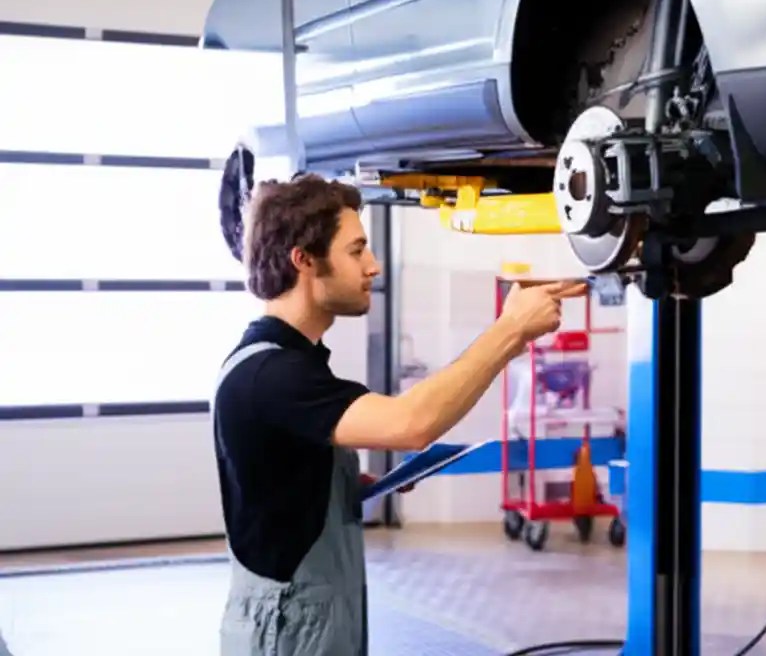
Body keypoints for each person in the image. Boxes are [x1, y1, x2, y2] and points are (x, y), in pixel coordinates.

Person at [212, 174, 585, 656]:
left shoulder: (287, 363)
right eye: (356, 251)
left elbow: (273, 485)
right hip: (289, 629)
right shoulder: (272, 374)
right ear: (303, 260)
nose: (373, 266)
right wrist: (511, 330)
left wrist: (342, 486)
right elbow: (410, 425)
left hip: (311, 616)